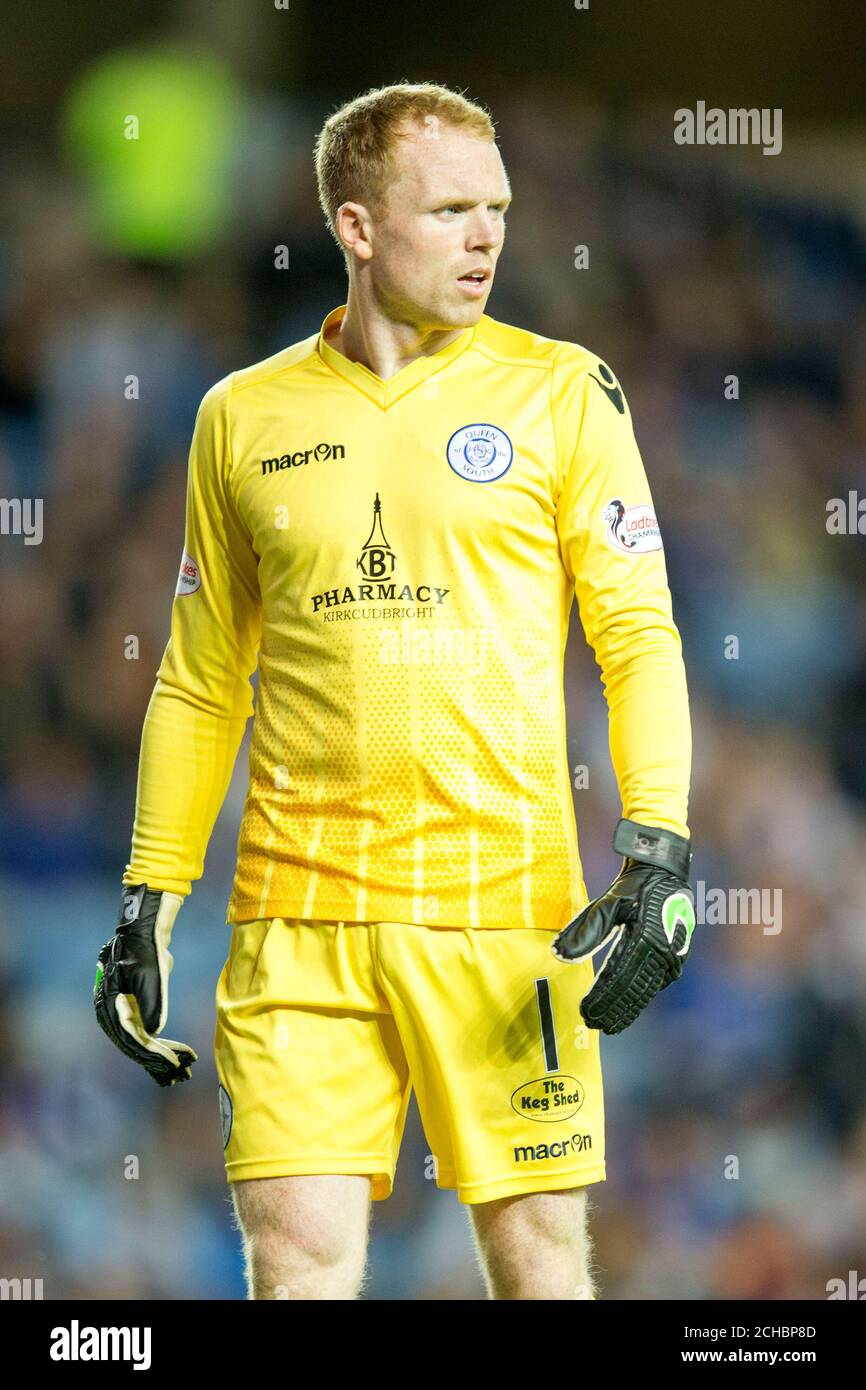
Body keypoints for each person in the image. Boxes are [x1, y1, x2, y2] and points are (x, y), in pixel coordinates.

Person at [93, 81, 695, 1300]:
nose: (488, 238)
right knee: (293, 1257)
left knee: (534, 1261)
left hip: (504, 905)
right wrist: (152, 891)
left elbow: (635, 634)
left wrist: (659, 843)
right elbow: (203, 676)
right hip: (294, 911)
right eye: (451, 209)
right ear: (356, 228)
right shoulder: (241, 416)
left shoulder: (563, 392)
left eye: (500, 210)